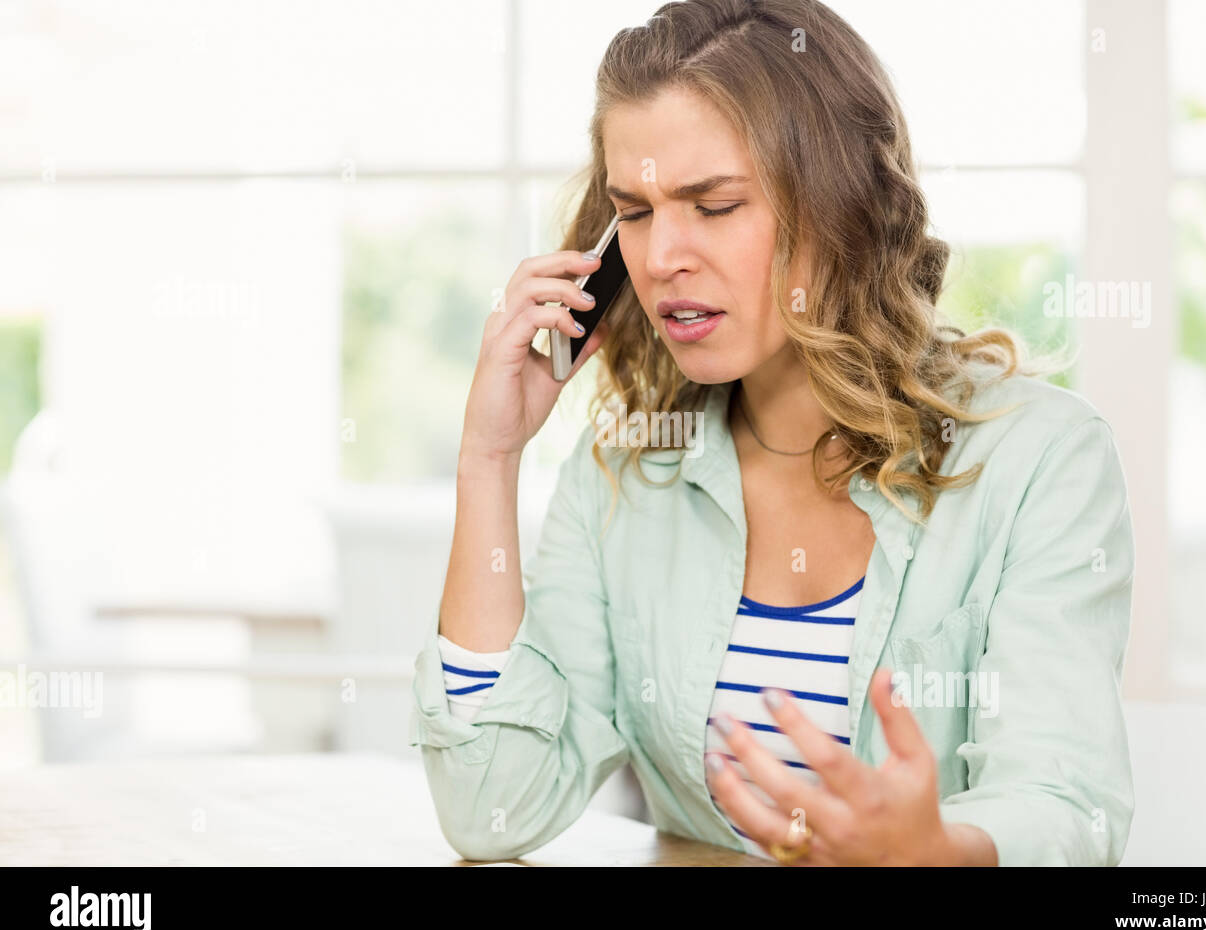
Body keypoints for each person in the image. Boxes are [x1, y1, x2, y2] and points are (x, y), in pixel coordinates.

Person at [409, 0, 1135, 866]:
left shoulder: (1041, 460)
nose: (661, 255)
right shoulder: (626, 478)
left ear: (840, 209)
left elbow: (1067, 806)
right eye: (633, 212)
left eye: (713, 205)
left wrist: (937, 852)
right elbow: (492, 807)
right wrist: (488, 461)